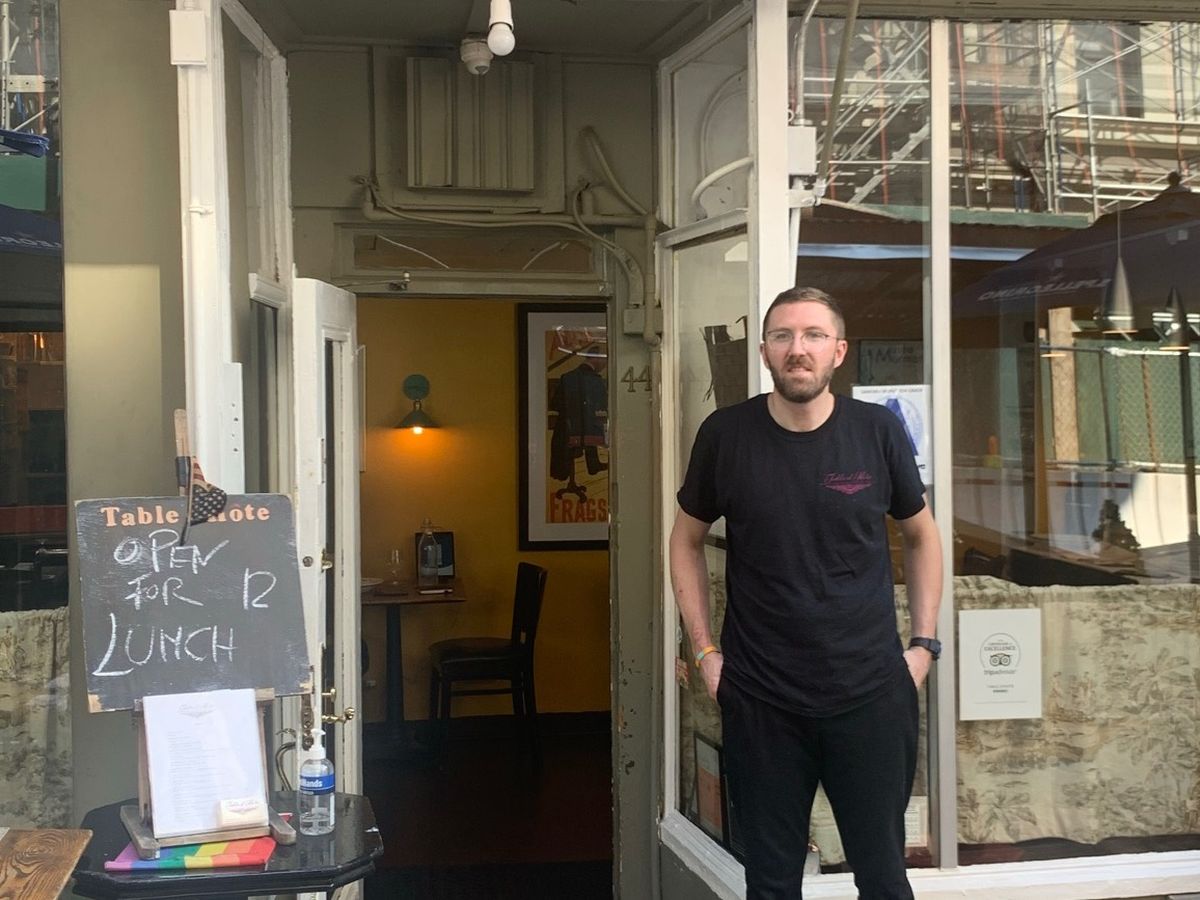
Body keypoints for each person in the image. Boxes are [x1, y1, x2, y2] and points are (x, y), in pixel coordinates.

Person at [669, 286, 943, 899]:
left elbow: (922, 536)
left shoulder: (877, 431)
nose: (799, 349)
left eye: (814, 335)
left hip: (871, 695)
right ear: (765, 351)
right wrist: (705, 651)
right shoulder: (725, 435)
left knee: (884, 879)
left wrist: (923, 645)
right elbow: (684, 541)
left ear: (838, 351)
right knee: (770, 884)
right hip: (761, 699)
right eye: (783, 336)